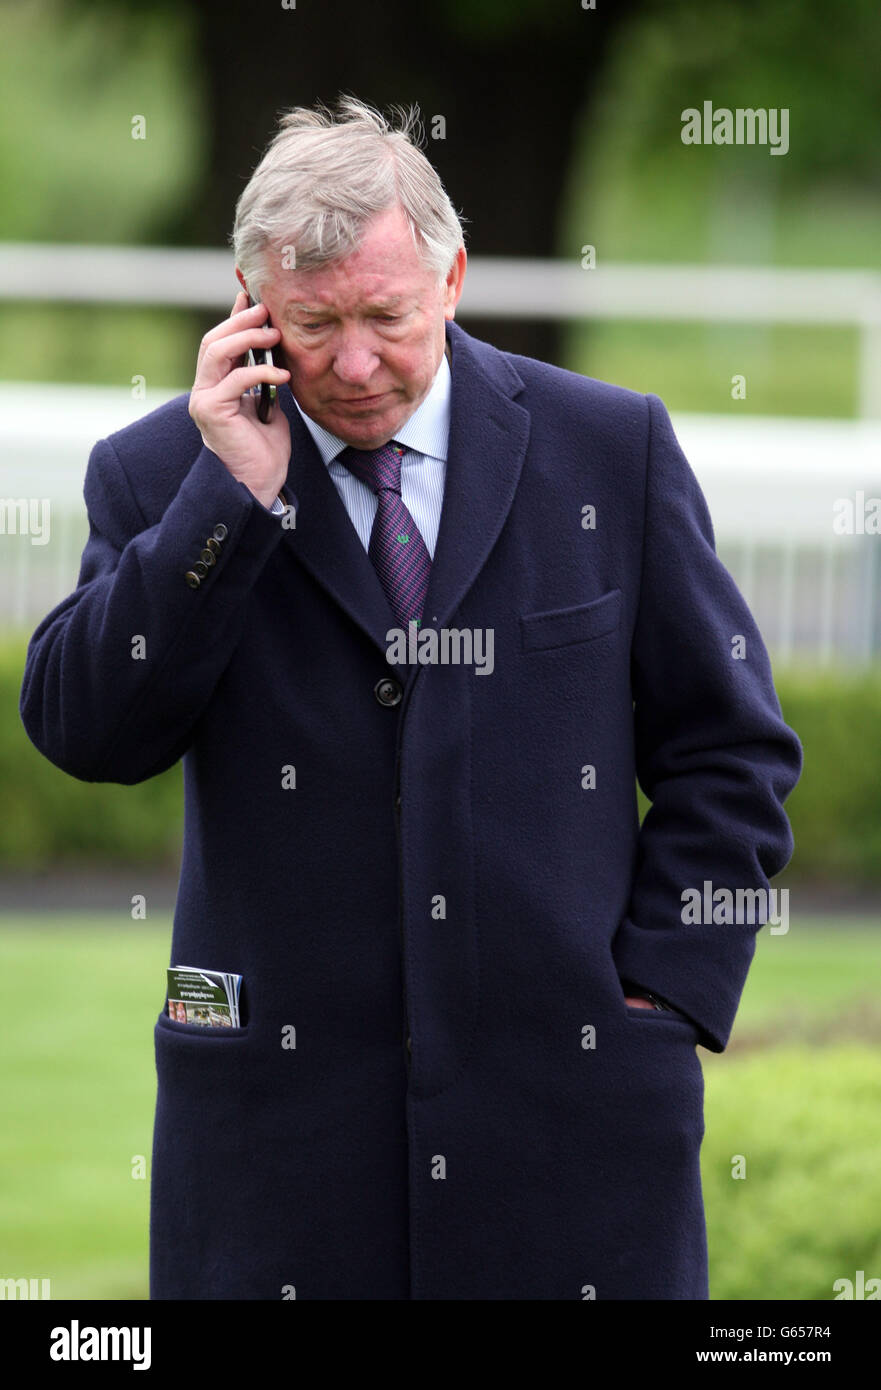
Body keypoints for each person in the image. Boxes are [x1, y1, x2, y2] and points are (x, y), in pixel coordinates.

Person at [20, 96, 802, 1301]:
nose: (349, 362)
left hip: (574, 1134)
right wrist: (220, 503)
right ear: (247, 300)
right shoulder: (159, 470)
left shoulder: (611, 450)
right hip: (275, 1159)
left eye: (384, 316)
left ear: (452, 278)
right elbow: (85, 729)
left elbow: (731, 747)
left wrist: (664, 991)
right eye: (311, 321)